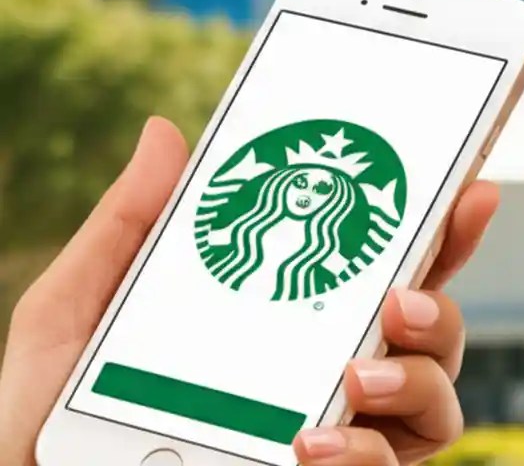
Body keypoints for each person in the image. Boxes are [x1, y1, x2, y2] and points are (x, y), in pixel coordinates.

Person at [0, 117, 498, 466]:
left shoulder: (314, 270)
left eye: (325, 191)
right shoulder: (237, 246)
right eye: (300, 181)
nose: (307, 195)